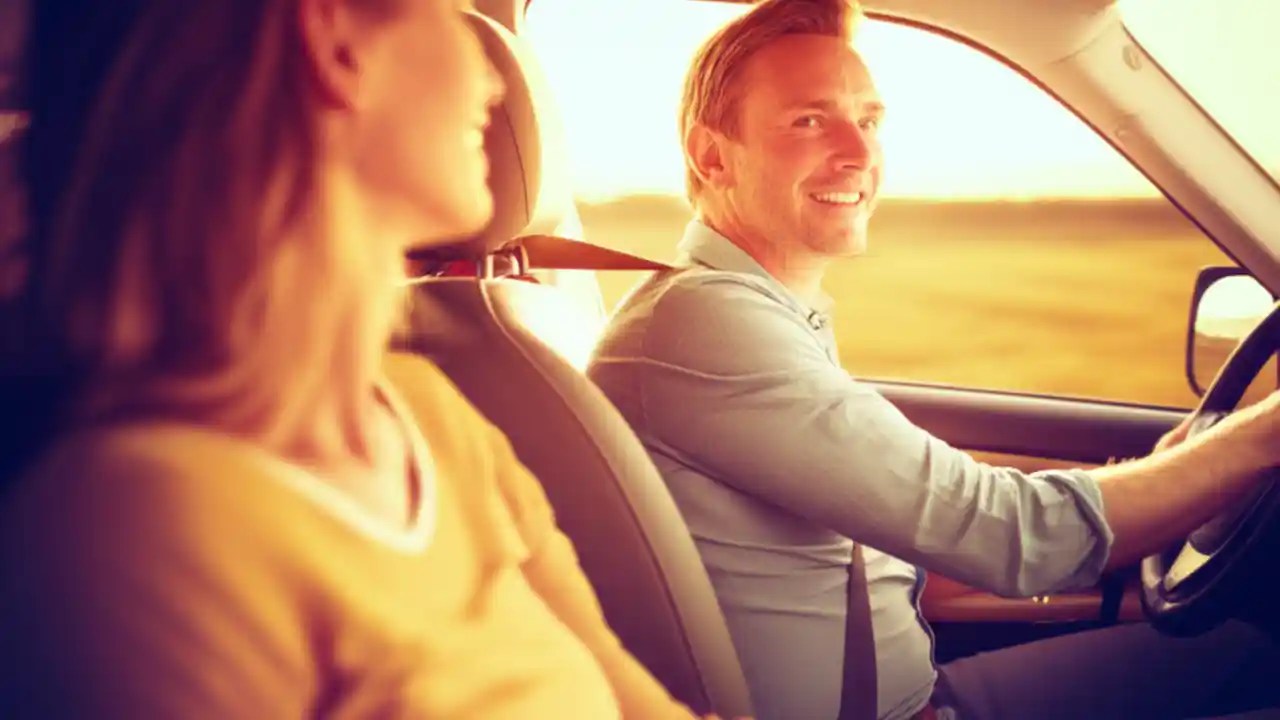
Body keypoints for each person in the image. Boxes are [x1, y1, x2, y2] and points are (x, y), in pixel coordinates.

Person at [0, 1, 705, 717]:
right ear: (335, 43)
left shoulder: (431, 415)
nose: (494, 81)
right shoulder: (132, 530)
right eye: (451, 14)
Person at [586, 1, 1280, 718]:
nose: (859, 151)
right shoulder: (703, 324)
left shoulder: (747, 312)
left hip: (914, 694)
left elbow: (928, 500)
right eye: (809, 120)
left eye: (870, 118)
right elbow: (1007, 535)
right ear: (712, 156)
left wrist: (1166, 475)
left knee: (1254, 653)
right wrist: (1260, 437)